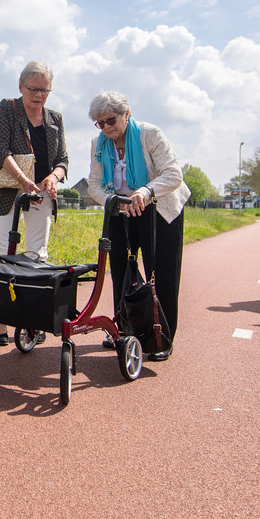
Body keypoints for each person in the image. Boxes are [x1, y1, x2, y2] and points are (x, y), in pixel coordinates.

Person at [84, 92, 190, 361]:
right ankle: (125, 332)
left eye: (110, 120)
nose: (106, 128)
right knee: (121, 272)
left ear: (126, 114)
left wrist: (146, 190)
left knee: (161, 274)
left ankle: (161, 337)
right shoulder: (99, 143)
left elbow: (173, 173)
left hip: (159, 209)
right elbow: (93, 183)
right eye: (100, 123)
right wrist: (112, 200)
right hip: (121, 210)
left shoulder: (150, 134)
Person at [0, 61, 69, 345]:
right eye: (34, 88)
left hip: (41, 190)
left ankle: (32, 320)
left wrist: (54, 177)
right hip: (9, 189)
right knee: (5, 251)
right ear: (21, 87)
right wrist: (22, 179)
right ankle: (1, 323)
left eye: (45, 90)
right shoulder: (7, 108)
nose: (39, 95)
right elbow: (1, 148)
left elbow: (63, 160)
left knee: (36, 255)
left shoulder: (55, 119)